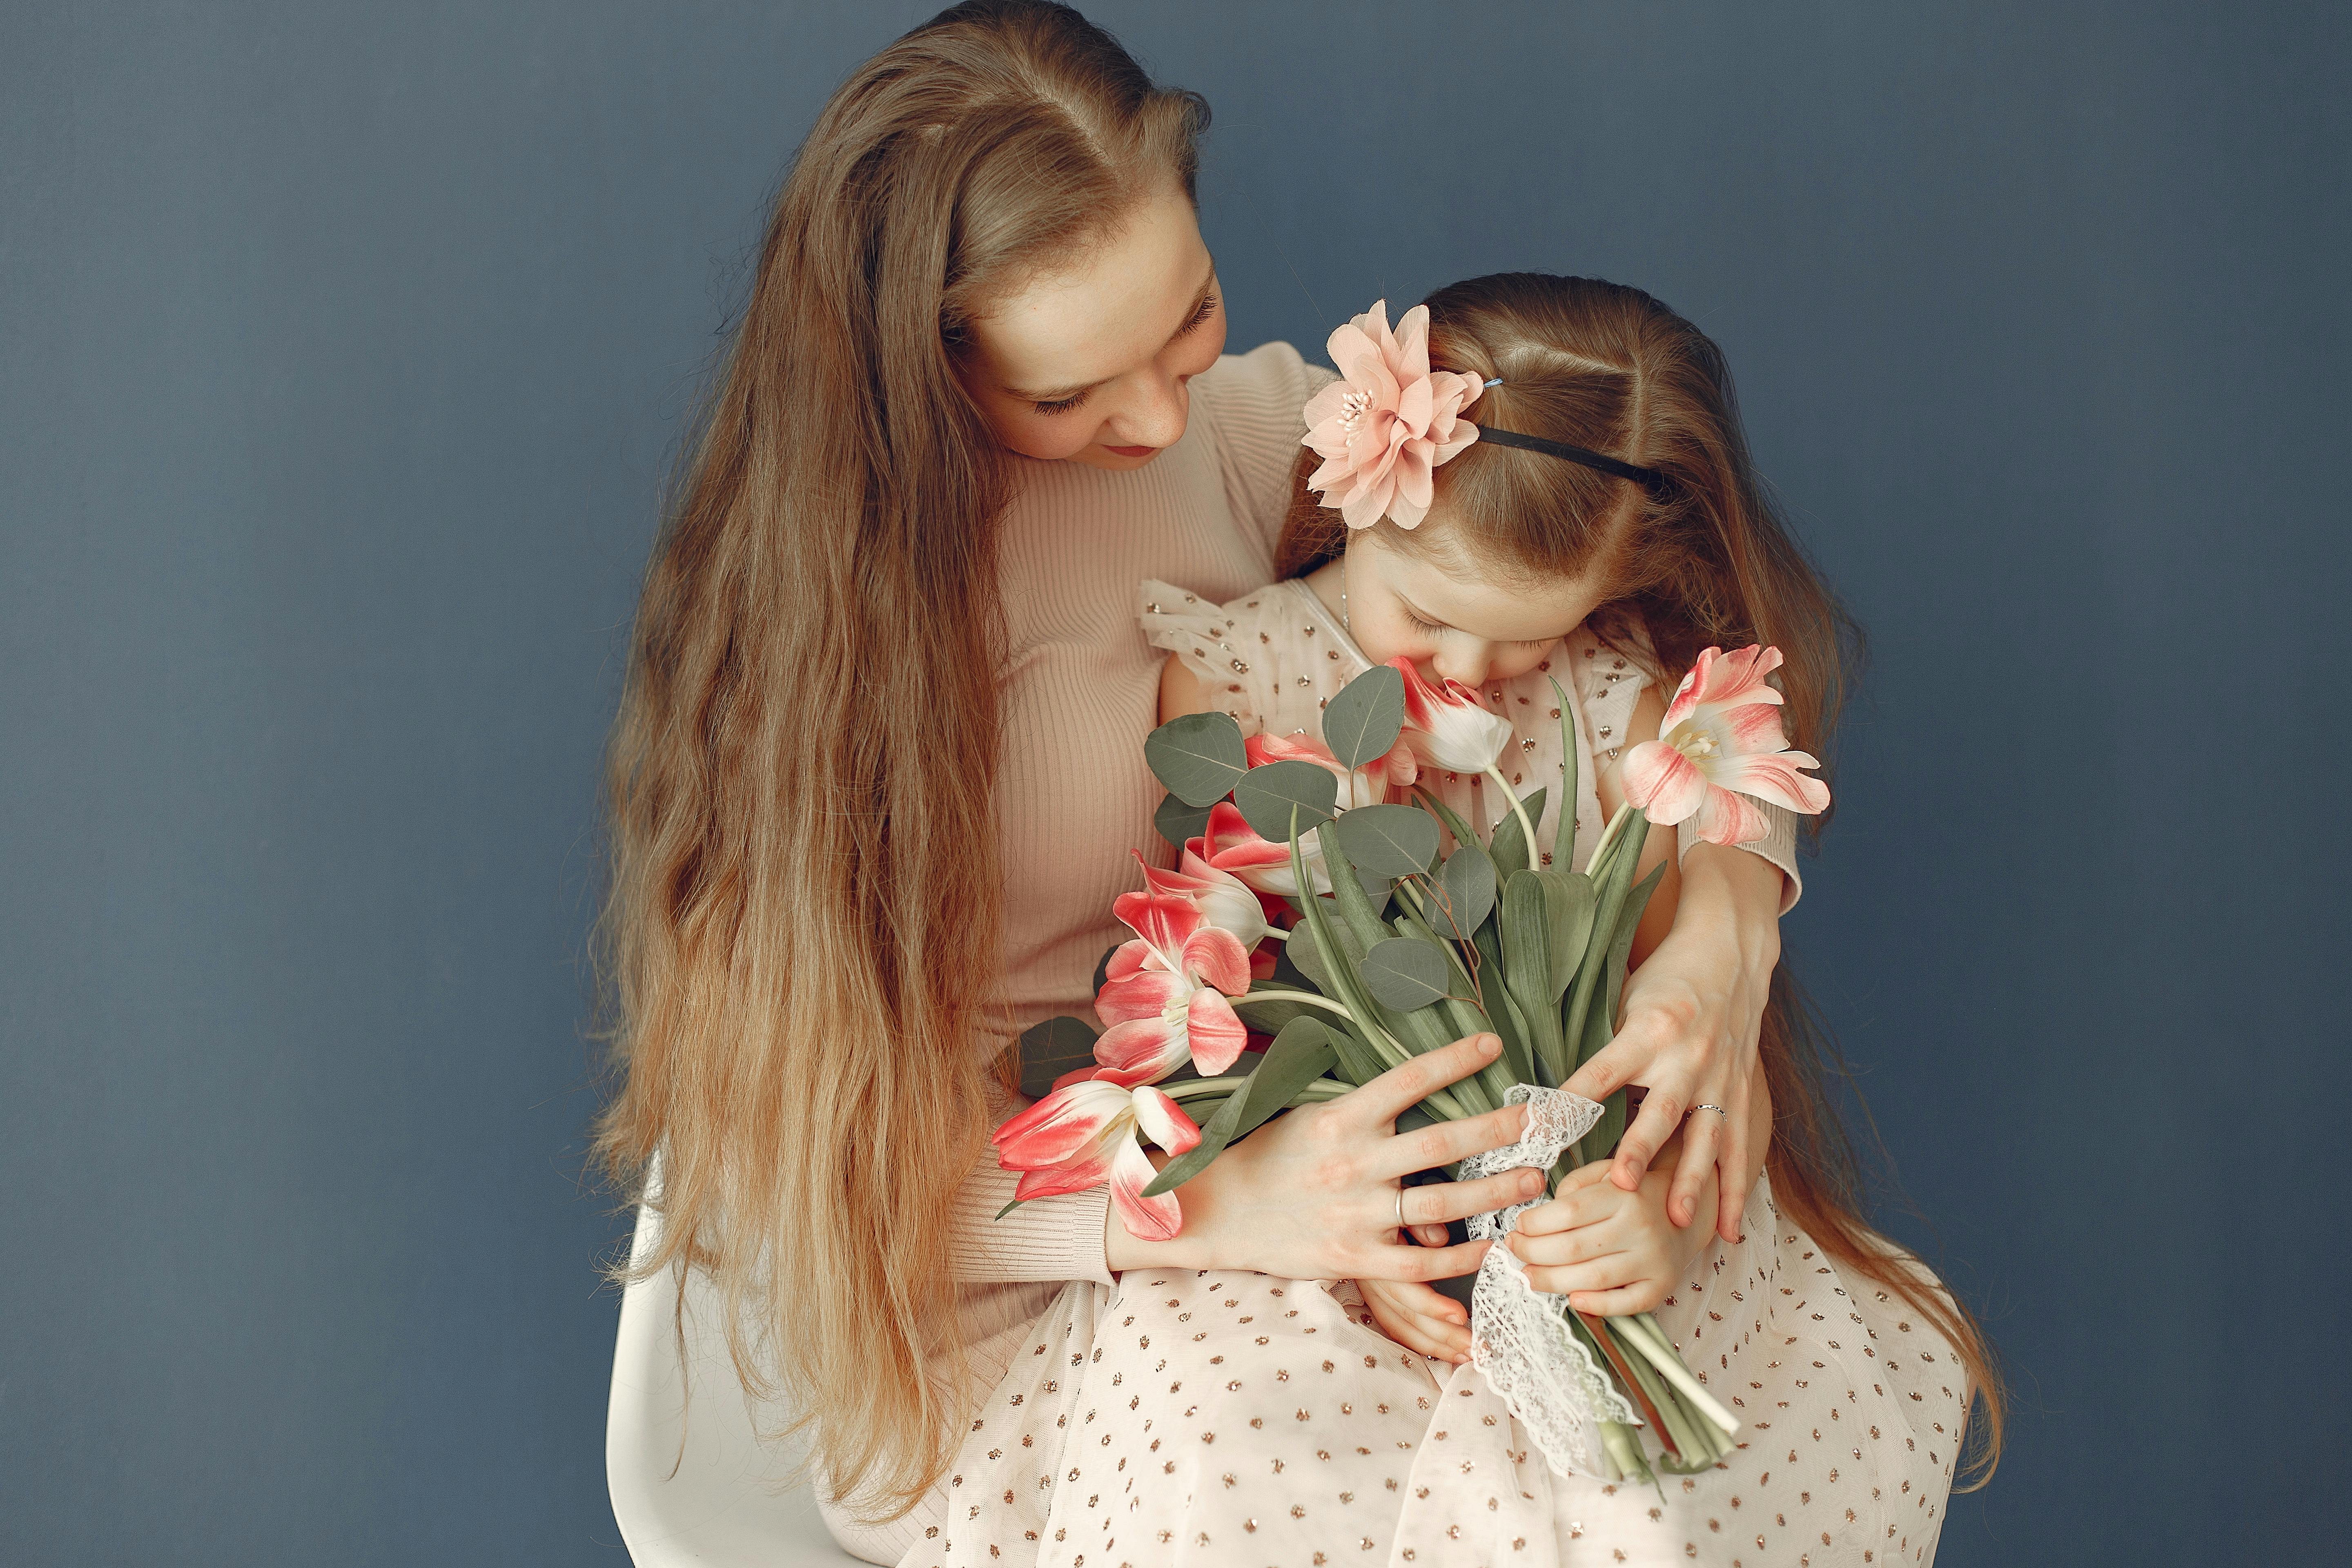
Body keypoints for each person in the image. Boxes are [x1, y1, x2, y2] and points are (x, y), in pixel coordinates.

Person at [593, 4, 1904, 1561]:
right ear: (916, 368)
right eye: (1068, 397)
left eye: (1190, 319)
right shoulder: (816, 675)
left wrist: (1722, 932)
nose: (1155, 423)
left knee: (1634, 1464)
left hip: (1374, 1157)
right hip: (1054, 1266)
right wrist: (1227, 1211)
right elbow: (810, 1197)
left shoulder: (1262, 431)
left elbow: (1652, 620)